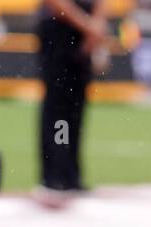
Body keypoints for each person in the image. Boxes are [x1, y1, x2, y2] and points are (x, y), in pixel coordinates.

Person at [36, 0, 110, 201]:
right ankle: (55, 174)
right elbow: (56, 4)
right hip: (60, 29)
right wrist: (89, 26)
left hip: (82, 31)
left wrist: (94, 28)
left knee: (75, 107)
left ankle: (71, 174)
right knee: (58, 108)